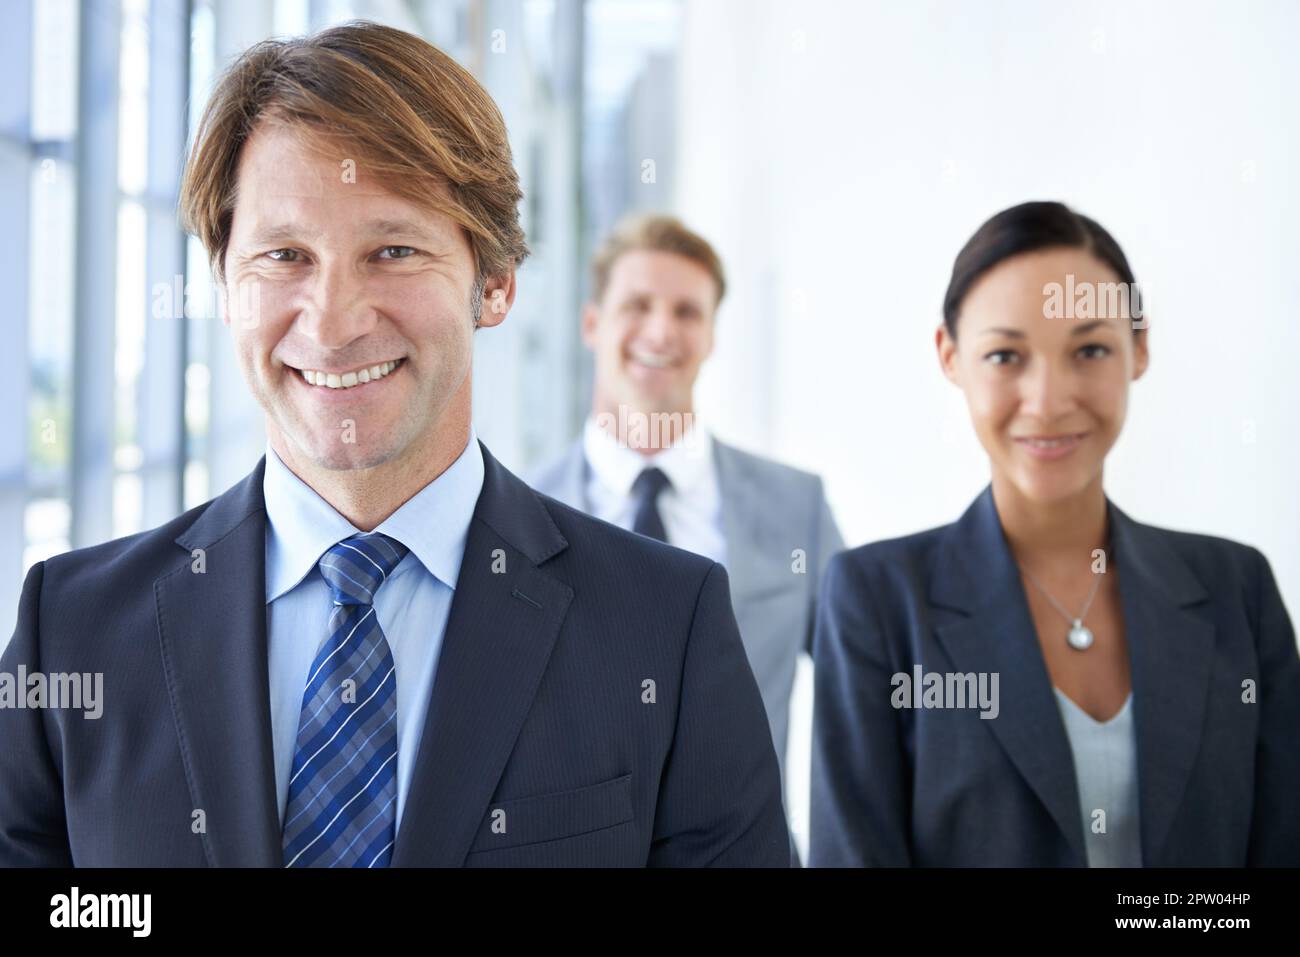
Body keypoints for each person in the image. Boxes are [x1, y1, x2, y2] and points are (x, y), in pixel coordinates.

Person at [0, 21, 788, 868]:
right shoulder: (74, 632)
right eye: (285, 254)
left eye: (394, 250)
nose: (334, 321)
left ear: (494, 283)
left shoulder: (663, 627)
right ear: (224, 284)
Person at [809, 200, 1300, 867]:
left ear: (1140, 348)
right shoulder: (876, 600)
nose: (1047, 400)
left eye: (1090, 348)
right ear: (950, 356)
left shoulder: (1237, 589)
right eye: (1006, 355)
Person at [528, 214, 844, 813]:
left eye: (686, 312)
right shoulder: (516, 514)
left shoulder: (795, 508)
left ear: (712, 336)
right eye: (637, 306)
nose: (661, 331)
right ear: (592, 323)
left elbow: (865, 692)